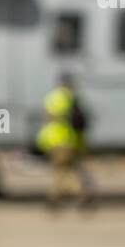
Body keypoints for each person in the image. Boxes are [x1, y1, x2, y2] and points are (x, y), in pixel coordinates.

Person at [36, 72, 93, 209]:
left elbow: (49, 118)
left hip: (57, 140)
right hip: (71, 140)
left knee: (63, 170)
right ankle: (55, 198)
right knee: (64, 170)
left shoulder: (53, 98)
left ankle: (80, 192)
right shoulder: (73, 98)